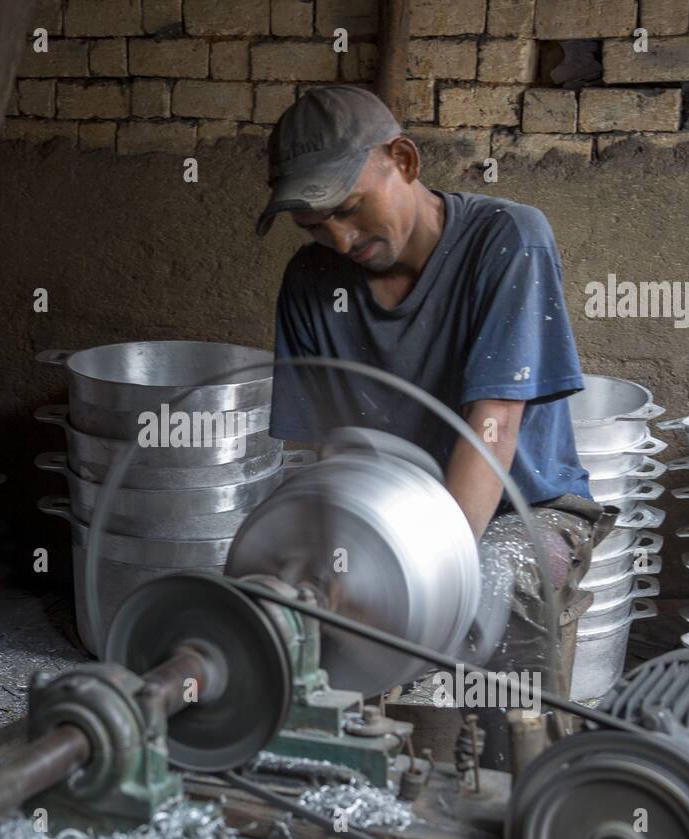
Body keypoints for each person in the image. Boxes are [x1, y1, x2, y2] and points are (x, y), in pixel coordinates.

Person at [257, 85, 616, 766]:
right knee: (309, 613)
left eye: (349, 208)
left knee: (482, 586)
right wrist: (326, 565)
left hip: (524, 508)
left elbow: (494, 430)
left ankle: (518, 786)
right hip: (388, 518)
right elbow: (327, 453)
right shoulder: (310, 284)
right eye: (313, 224)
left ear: (404, 160)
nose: (338, 238)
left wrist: (412, 571)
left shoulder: (508, 241)